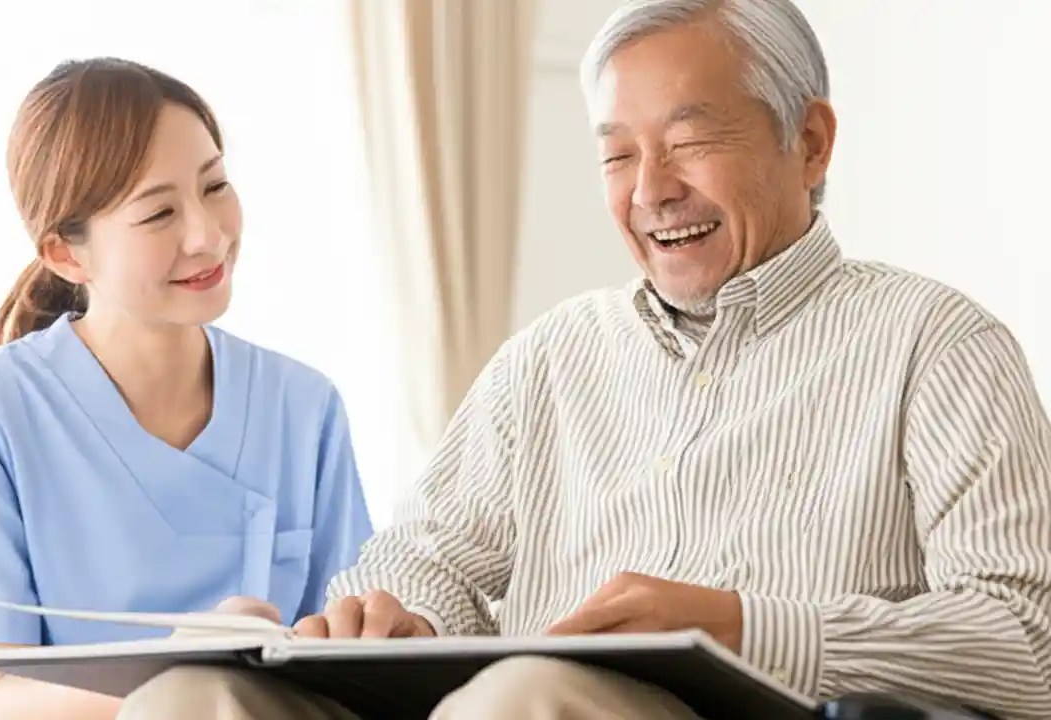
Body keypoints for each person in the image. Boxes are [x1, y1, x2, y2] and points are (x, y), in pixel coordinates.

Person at [117, 1, 1051, 719]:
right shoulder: (553, 356)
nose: (651, 191)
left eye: (689, 142)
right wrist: (396, 614)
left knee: (521, 699)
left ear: (809, 143)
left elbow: (1029, 639)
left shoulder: (938, 344)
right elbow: (436, 558)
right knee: (187, 697)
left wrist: (741, 625)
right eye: (617, 157)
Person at [0, 57, 373, 720]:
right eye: (158, 215)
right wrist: (186, 667)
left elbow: (343, 660)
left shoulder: (304, 408)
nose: (208, 236)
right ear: (66, 253)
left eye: (216, 186)